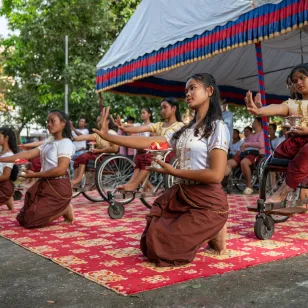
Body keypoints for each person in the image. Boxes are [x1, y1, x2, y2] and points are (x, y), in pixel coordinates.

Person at [93, 73, 230, 267]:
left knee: (166, 250)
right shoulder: (185, 129)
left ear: (209, 91)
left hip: (207, 199)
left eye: (193, 88)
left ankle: (216, 223)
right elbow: (148, 141)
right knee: (152, 241)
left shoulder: (218, 127)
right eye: (186, 90)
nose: (188, 94)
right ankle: (209, 229)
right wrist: (110, 137)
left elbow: (216, 175)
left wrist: (173, 172)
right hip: (184, 194)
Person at [245, 63, 308, 204]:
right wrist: (259, 111)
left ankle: (283, 192)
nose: (298, 82)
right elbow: (278, 107)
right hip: (295, 143)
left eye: (302, 78)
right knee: (274, 160)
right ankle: (289, 189)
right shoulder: (294, 104)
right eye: (295, 81)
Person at [0, 110, 75, 228]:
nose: (49, 124)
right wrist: (1, 159)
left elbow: (60, 170)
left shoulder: (65, 143)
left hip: (58, 186)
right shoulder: (49, 142)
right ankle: (58, 208)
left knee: (31, 221)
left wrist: (34, 175)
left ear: (63, 123)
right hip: (44, 183)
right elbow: (27, 155)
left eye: (53, 121)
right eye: (48, 121)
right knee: (22, 219)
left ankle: (64, 209)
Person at [115, 98, 184, 192]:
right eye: (161, 108)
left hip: (170, 155)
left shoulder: (180, 126)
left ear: (173, 109)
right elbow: (141, 128)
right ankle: (131, 183)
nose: (162, 111)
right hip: (158, 153)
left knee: (149, 157)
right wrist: (124, 129)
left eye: (165, 107)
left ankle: (134, 185)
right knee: (140, 158)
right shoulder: (159, 125)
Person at [71, 116, 119, 187]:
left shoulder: (112, 133)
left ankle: (78, 179)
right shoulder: (98, 134)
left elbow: (114, 149)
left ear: (107, 121)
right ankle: (75, 180)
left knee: (84, 157)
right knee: (78, 158)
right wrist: (74, 138)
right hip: (99, 155)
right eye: (97, 121)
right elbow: (86, 137)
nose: (98, 123)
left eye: (100, 120)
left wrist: (99, 150)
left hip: (108, 157)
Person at [225, 117, 264, 195]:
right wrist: (240, 151)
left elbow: (261, 144)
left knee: (244, 162)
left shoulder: (262, 133)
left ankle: (249, 187)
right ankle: (220, 183)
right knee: (228, 163)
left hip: (254, 153)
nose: (252, 123)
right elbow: (243, 146)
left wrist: (247, 144)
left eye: (254, 122)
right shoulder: (251, 135)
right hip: (244, 153)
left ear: (259, 123)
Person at [0, 127, 18, 210]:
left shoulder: (9, 155)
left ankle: (7, 198)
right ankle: (7, 200)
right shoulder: (1, 153)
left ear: (6, 138)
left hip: (4, 186)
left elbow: (5, 176)